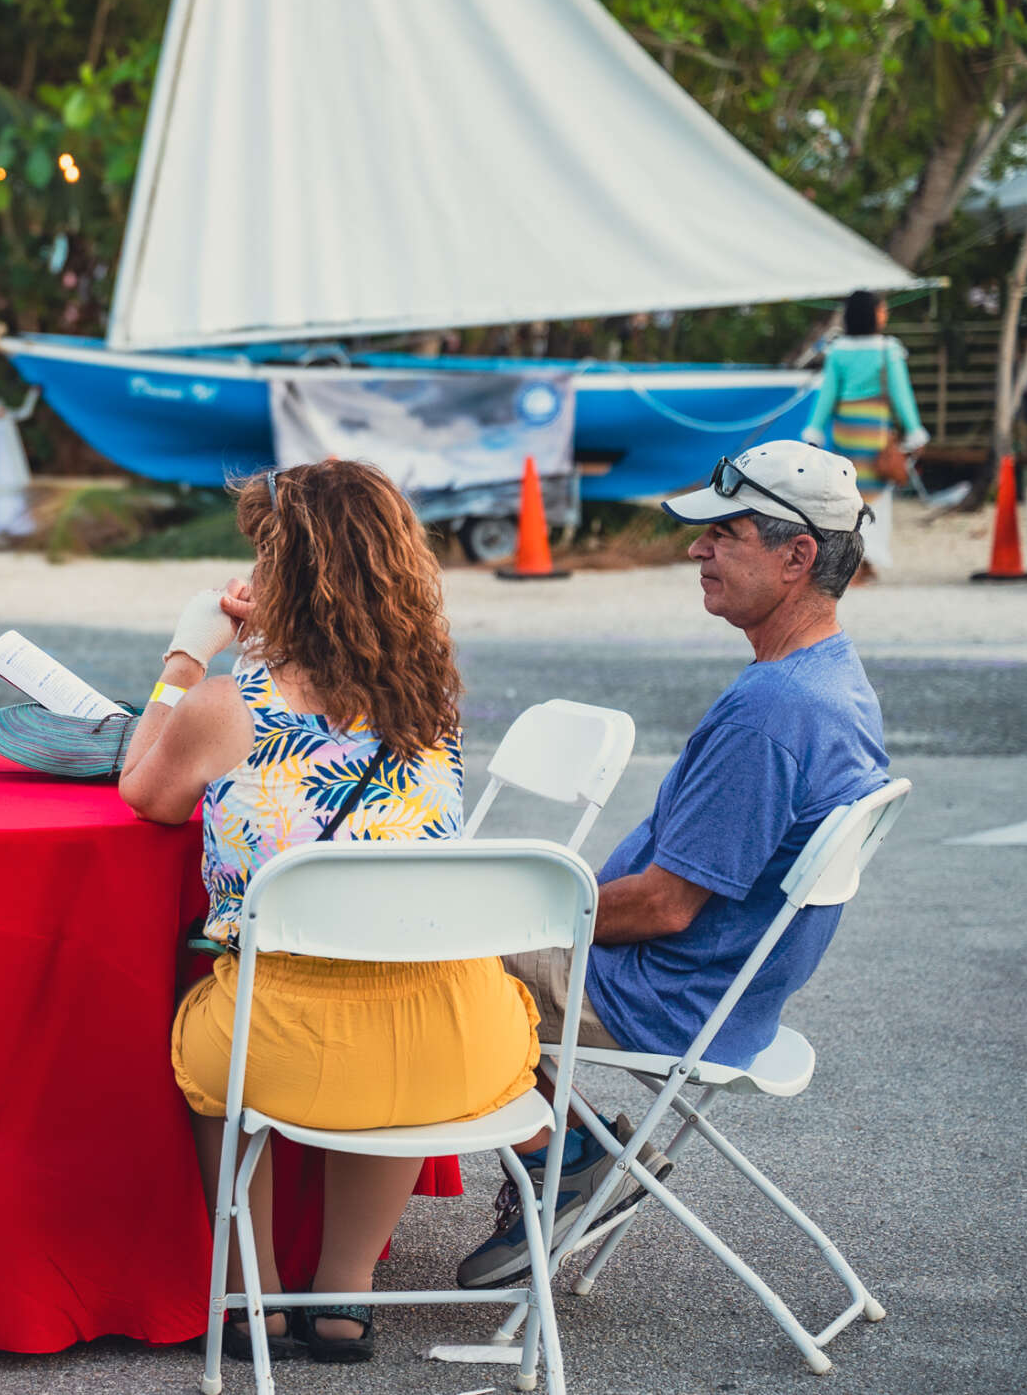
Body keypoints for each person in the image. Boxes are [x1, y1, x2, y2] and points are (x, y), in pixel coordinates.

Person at [120, 460, 532, 1363]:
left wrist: (186, 658)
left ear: (284, 576)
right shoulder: (434, 704)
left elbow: (142, 790)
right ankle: (346, 1295)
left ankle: (254, 1293)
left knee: (221, 1031)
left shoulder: (227, 706)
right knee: (385, 1015)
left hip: (283, 1045)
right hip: (455, 1036)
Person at [453, 440, 887, 1290]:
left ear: (797, 555)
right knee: (453, 945)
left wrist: (521, 915)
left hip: (665, 996)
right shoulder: (832, 676)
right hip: (727, 996)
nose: (698, 548)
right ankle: (575, 1151)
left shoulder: (773, 711)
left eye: (725, 534)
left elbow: (664, 906)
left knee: (423, 962)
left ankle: (565, 1158)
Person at [800, 290, 923, 581]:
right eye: (882, 310)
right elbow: (901, 395)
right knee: (877, 495)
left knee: (848, 493)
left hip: (846, 432)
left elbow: (827, 394)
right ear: (872, 315)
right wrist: (914, 430)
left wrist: (814, 428)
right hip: (876, 432)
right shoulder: (888, 350)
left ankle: (851, 560)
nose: (885, 314)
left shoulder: (838, 351)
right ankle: (866, 559)